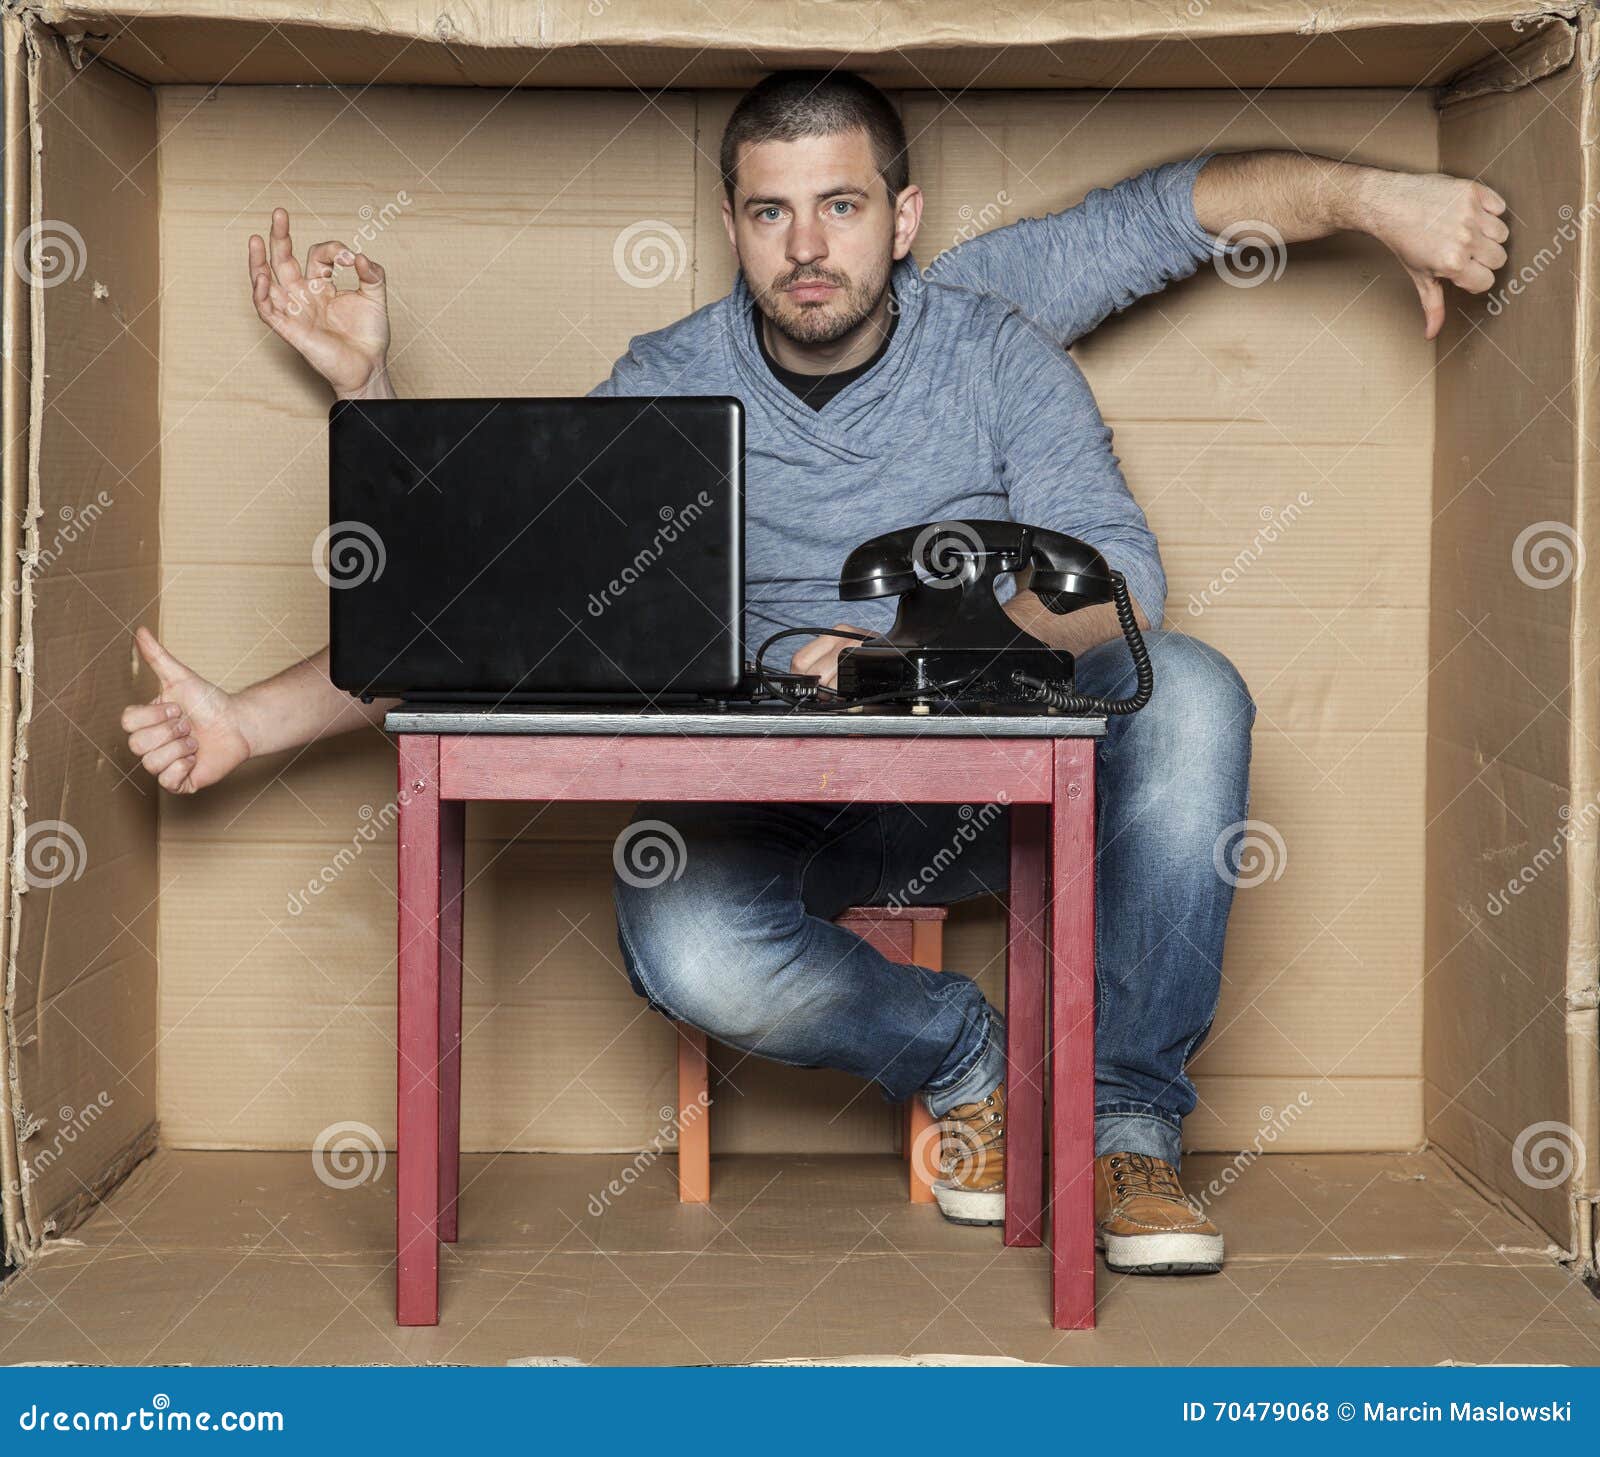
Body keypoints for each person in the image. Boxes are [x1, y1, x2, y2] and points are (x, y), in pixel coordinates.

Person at [120, 71, 1507, 1276]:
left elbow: (1126, 596)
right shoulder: (659, 380)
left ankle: (1126, 1129)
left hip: (988, 788)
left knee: (1192, 688)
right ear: (731, 224)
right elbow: (488, 618)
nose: (806, 247)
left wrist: (1379, 202)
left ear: (901, 219)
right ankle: (966, 1057)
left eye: (841, 206)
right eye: (772, 211)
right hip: (769, 805)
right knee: (683, 932)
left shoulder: (996, 339)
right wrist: (248, 711)